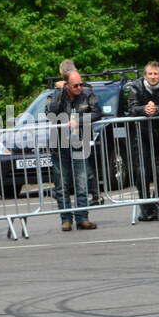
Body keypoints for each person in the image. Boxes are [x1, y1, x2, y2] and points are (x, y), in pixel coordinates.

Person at [44, 71, 101, 230]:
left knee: (81, 183)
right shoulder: (56, 94)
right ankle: (66, 219)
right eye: (75, 85)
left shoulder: (87, 93)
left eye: (80, 84)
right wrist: (59, 93)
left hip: (80, 142)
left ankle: (82, 218)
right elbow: (50, 112)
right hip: (59, 143)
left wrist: (78, 121)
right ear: (66, 85)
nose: (79, 87)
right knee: (61, 184)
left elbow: (98, 113)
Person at [122, 61, 159, 219]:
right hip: (141, 132)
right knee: (141, 169)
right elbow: (132, 108)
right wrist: (144, 109)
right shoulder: (135, 86)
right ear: (144, 75)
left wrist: (158, 109)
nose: (153, 77)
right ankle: (146, 207)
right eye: (150, 74)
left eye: (156, 74)